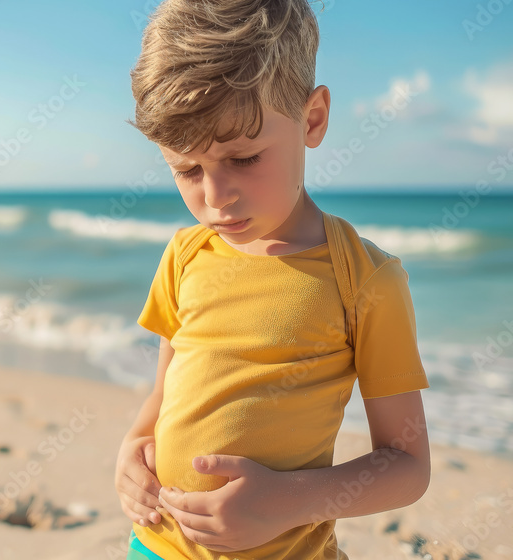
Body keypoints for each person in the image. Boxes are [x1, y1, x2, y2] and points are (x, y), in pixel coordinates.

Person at [113, 1, 432, 558]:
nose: (215, 198)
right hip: (157, 546)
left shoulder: (364, 279)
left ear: (313, 119)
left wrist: (283, 502)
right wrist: (132, 451)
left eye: (243, 158)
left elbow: (407, 466)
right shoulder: (186, 255)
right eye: (187, 169)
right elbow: (162, 396)